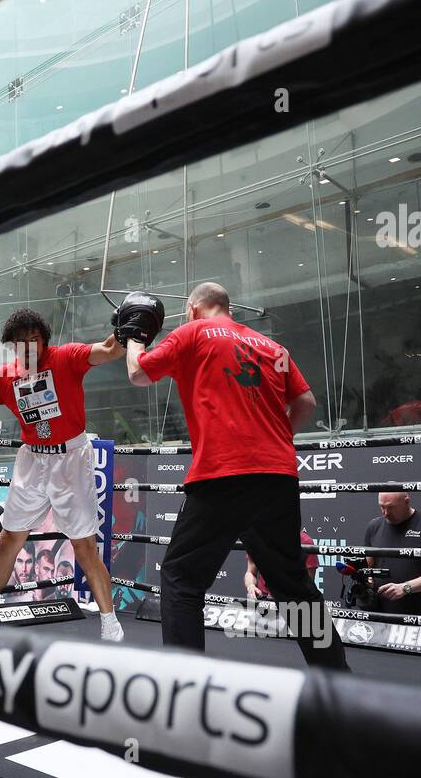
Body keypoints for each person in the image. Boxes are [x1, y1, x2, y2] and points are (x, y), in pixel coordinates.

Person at [123, 281, 349, 670]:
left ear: (194, 308)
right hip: (277, 475)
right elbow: (306, 402)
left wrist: (135, 337)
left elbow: (138, 374)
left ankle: (187, 686)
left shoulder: (192, 332)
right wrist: (274, 439)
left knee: (181, 578)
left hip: (223, 473)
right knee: (292, 585)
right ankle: (338, 679)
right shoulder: (272, 346)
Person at [0, 307, 126, 640]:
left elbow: (109, 350)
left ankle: (109, 622)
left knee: (84, 547)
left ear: (44, 341)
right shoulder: (6, 375)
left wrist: (124, 329)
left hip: (71, 459)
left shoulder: (66, 357)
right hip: (32, 460)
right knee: (8, 542)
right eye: (20, 342)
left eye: (33, 339)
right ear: (12, 346)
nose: (28, 346)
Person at [360, 492, 421, 617]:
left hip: (419, 616)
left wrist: (406, 588)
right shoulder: (374, 526)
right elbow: (367, 566)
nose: (385, 512)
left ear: (406, 502)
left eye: (391, 507)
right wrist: (366, 580)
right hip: (380, 617)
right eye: (382, 507)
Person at [246, 529, 319, 601]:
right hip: (263, 599)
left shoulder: (305, 541)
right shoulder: (258, 538)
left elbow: (307, 584)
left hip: (292, 601)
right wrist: (251, 586)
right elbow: (251, 573)